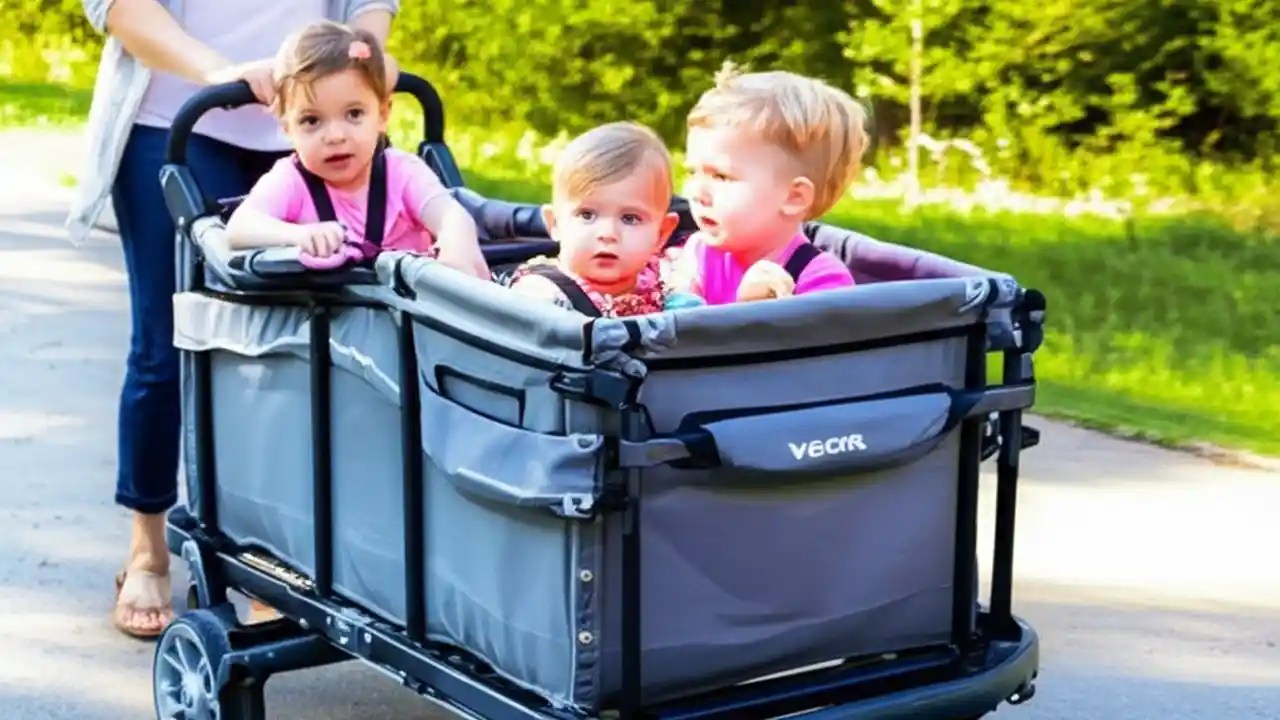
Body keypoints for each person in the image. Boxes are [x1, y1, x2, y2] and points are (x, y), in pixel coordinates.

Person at [71, 0, 405, 640]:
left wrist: (360, 60)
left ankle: (262, 555)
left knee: (292, 358)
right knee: (168, 346)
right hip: (176, 122)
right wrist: (226, 73)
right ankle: (147, 547)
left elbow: (369, 10)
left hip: (312, 128)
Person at [225, 20, 485, 274]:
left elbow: (451, 216)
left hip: (412, 312)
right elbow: (239, 228)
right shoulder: (291, 181)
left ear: (382, 114)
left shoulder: (403, 173)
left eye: (354, 114)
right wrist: (299, 235)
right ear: (287, 127)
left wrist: (455, 249)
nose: (335, 136)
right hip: (329, 312)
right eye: (312, 120)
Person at [669, 61, 869, 304]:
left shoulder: (821, 281)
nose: (696, 192)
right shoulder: (701, 252)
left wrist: (753, 310)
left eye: (720, 176)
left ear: (794, 197)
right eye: (693, 173)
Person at [507, 122, 682, 317]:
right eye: (587, 215)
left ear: (661, 234)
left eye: (630, 218)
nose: (607, 234)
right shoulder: (541, 297)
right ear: (554, 223)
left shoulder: (668, 284)